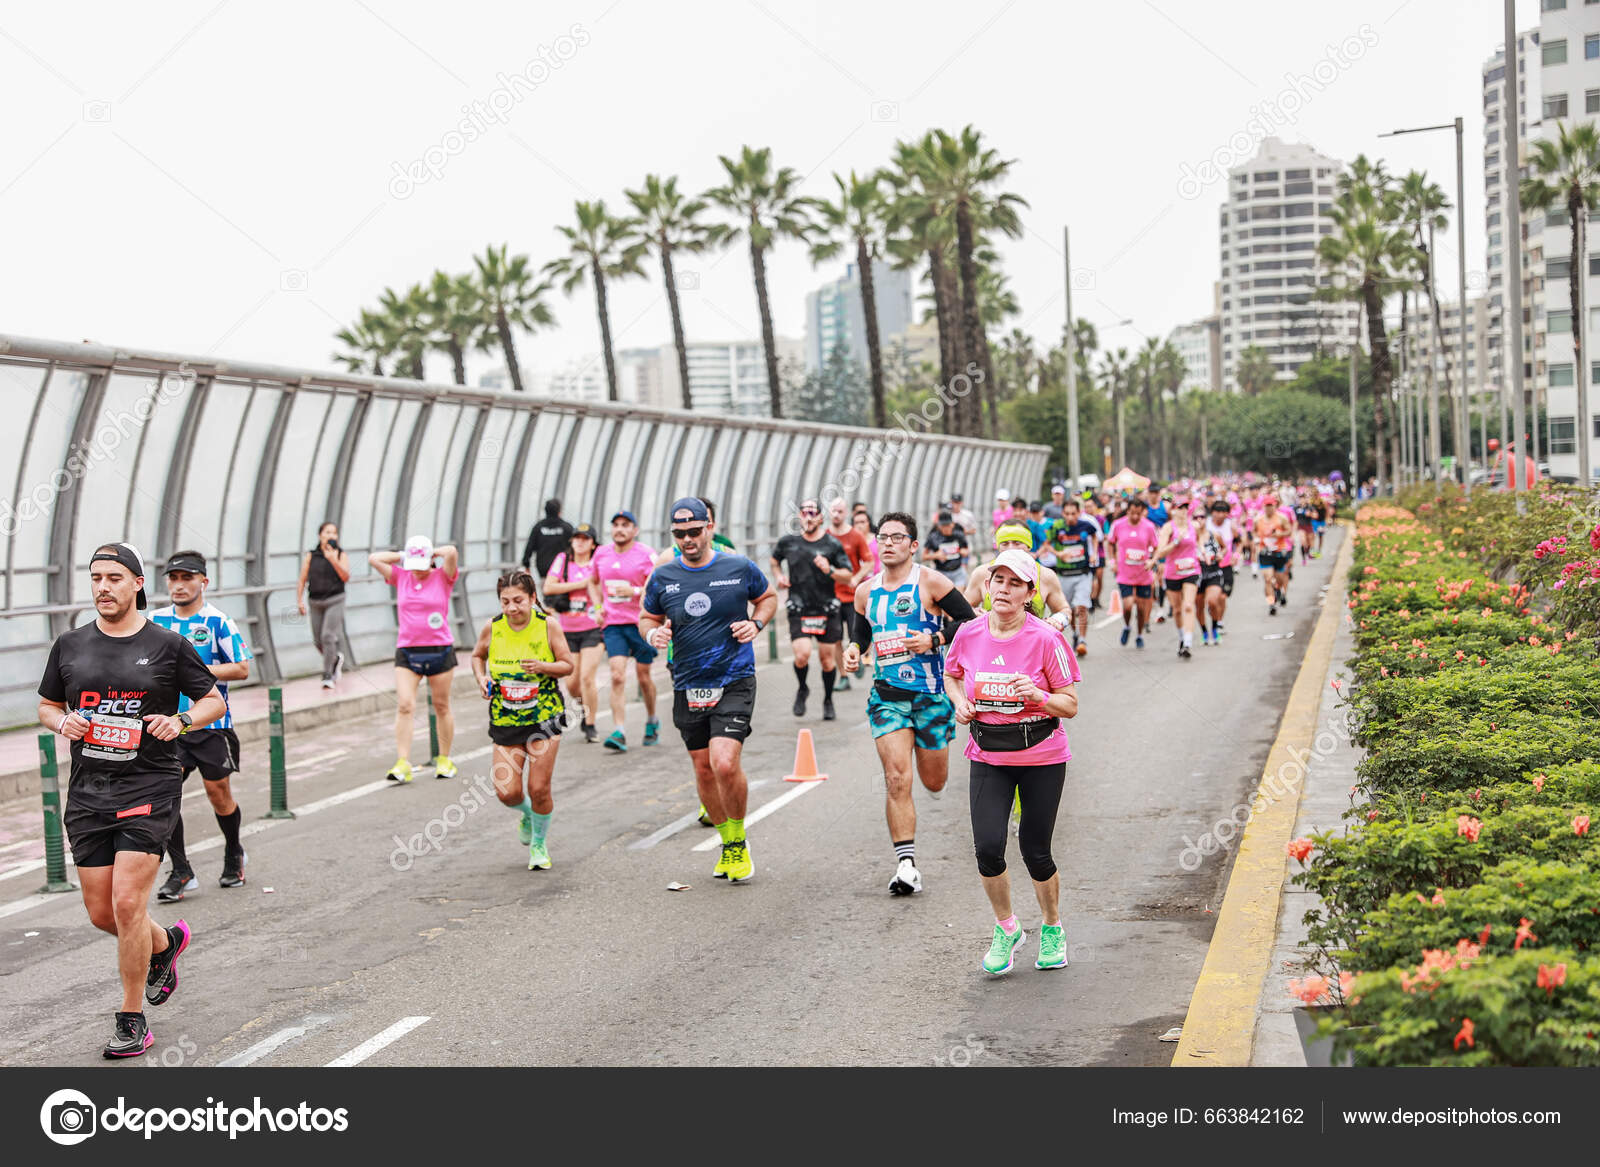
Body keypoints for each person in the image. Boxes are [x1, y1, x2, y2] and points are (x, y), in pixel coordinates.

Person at [37, 542, 226, 1058]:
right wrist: (62, 722)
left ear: (137, 584)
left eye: (114, 578)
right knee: (103, 914)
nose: (103, 587)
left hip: (150, 786)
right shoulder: (70, 645)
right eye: (96, 577)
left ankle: (131, 1017)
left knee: (126, 905)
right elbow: (48, 704)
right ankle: (165, 944)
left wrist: (181, 720)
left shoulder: (167, 645)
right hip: (88, 793)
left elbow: (212, 697)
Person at [943, 550, 1080, 976]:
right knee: (987, 848)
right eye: (997, 580)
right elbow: (952, 674)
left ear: (1029, 593)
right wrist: (961, 702)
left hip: (1041, 755)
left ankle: (1052, 927)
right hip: (988, 753)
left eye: (1013, 583)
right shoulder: (968, 633)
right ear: (987, 586)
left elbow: (1070, 705)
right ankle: (1007, 927)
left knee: (1036, 852)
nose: (1002, 588)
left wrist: (1039, 697)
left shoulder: (1045, 638)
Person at [640, 498, 777, 883]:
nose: (688, 540)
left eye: (694, 531)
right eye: (679, 534)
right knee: (702, 769)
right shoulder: (663, 576)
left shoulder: (737, 567)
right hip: (688, 683)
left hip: (733, 677)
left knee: (724, 762)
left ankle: (736, 840)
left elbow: (767, 597)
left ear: (710, 527)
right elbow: (647, 615)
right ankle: (730, 840)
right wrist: (653, 632)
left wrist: (757, 624)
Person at [842, 512, 977, 896]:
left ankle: (909, 855)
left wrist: (933, 641)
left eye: (897, 537)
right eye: (882, 537)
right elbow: (861, 634)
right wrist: (853, 651)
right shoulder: (865, 591)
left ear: (913, 545)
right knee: (897, 778)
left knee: (934, 782)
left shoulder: (931, 582)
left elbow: (969, 622)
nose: (887, 543)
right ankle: (906, 865)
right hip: (888, 698)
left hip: (932, 697)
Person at [150, 552, 253, 902]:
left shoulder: (217, 622)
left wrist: (195, 673)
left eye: (187, 578)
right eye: (173, 578)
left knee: (218, 795)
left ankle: (234, 852)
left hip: (212, 725)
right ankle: (181, 871)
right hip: (169, 727)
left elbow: (241, 668)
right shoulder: (155, 621)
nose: (179, 585)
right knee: (165, 798)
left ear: (203, 582)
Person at [470, 569, 573, 870]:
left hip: (544, 717)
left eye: (518, 600)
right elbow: (477, 656)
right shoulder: (493, 628)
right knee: (507, 792)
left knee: (539, 788)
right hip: (505, 718)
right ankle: (529, 815)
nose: (512, 608)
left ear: (532, 598)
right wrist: (481, 678)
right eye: (505, 602)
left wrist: (543, 666)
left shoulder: (548, 626)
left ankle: (539, 844)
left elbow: (568, 665)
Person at [369, 535, 459, 782]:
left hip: (440, 648)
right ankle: (402, 762)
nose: (416, 571)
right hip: (408, 650)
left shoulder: (443, 577)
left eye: (420, 566)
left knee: (441, 705)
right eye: (413, 566)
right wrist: (404, 555)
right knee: (405, 704)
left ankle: (445, 758)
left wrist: (429, 553)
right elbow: (374, 559)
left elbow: (451, 552)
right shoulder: (402, 576)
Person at [772, 499, 853, 720]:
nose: (808, 517)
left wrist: (830, 570)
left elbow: (848, 575)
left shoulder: (831, 545)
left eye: (813, 513)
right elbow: (774, 560)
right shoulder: (788, 542)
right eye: (804, 512)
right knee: (802, 655)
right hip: (799, 606)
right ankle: (802, 688)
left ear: (820, 517)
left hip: (827, 608)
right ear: (799, 516)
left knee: (827, 660)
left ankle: (828, 699)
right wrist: (779, 576)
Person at [590, 510, 659, 752]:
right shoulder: (601, 553)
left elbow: (657, 583)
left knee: (643, 677)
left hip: (641, 621)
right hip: (614, 623)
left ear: (635, 530)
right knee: (617, 675)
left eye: (625, 525)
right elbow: (592, 581)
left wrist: (635, 592)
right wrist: (597, 608)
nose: (619, 529)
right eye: (616, 525)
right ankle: (619, 732)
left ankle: (652, 719)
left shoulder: (646, 554)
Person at [543, 522, 604, 743]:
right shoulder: (563, 560)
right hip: (567, 629)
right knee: (571, 683)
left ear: (593, 543)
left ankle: (591, 724)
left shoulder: (598, 561)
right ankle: (587, 706)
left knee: (587, 676)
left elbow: (602, 587)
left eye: (585, 538)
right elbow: (548, 587)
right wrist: (580, 584)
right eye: (576, 538)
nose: (580, 542)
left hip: (593, 629)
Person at [296, 521, 350, 688]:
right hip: (315, 601)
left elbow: (345, 577)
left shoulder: (340, 555)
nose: (331, 536)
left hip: (335, 599)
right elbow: (303, 579)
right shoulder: (311, 555)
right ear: (320, 535)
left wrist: (333, 560)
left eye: (334, 533)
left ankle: (327, 675)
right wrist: (299, 600)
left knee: (328, 636)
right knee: (318, 640)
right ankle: (334, 659)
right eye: (327, 532)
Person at [827, 498, 873, 692]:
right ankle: (843, 676)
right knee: (835, 638)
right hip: (830, 596)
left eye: (840, 511)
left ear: (846, 513)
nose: (836, 514)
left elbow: (869, 562)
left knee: (853, 634)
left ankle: (858, 655)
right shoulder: (825, 536)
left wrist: (856, 578)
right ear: (829, 513)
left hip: (852, 596)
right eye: (833, 511)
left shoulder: (855, 536)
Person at [1044, 498, 1100, 656]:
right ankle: (1075, 634)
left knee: (1081, 606)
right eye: (1067, 514)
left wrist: (1094, 553)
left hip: (1082, 573)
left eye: (1073, 514)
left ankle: (1082, 640)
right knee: (1068, 609)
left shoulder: (1086, 526)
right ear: (1062, 513)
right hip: (1064, 575)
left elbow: (1095, 537)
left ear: (1079, 513)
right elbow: (1047, 544)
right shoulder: (1057, 527)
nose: (1070, 517)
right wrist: (1058, 554)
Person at [1106, 497, 1160, 649]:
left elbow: (1157, 547)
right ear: (1127, 511)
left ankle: (1139, 634)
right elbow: (1110, 543)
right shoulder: (1118, 525)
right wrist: (1112, 562)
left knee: (1142, 609)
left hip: (1143, 574)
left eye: (1138, 513)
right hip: (1125, 573)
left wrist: (1153, 560)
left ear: (1142, 512)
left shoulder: (1149, 527)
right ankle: (1127, 626)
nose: (1135, 517)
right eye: (1132, 513)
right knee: (1128, 605)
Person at [1151, 506, 1202, 659]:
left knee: (1188, 606)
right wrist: (1175, 542)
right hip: (1173, 573)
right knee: (1177, 610)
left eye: (1186, 508)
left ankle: (1187, 642)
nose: (1183, 511)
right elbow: (1160, 552)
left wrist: (1203, 553)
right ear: (1173, 511)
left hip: (1191, 571)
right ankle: (1181, 637)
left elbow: (1198, 544)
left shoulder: (1195, 526)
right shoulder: (1168, 528)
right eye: (1180, 508)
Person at [1198, 499, 1237, 646]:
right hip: (1199, 571)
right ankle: (1205, 631)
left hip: (1221, 567)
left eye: (1223, 512)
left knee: (1218, 599)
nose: (1220, 515)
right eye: (1217, 511)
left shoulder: (1227, 526)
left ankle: (1217, 623)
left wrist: (1233, 555)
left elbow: (1235, 543)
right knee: (1199, 605)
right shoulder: (1194, 532)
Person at [521, 498, 575, 594]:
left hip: (544, 571)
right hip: (563, 571)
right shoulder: (566, 527)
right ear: (559, 511)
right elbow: (575, 547)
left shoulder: (538, 527)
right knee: (563, 597)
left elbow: (529, 547)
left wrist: (526, 565)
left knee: (547, 596)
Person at [1253, 496, 1294, 615]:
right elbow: (1254, 531)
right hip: (1265, 552)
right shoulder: (1258, 520)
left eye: (1271, 505)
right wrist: (1257, 541)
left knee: (1279, 579)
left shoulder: (1281, 518)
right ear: (1264, 507)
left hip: (1279, 552)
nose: (1269, 508)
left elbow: (1289, 531)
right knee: (1268, 579)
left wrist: (1280, 534)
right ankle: (1271, 604)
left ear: (1275, 506)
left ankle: (1278, 589)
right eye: (1267, 506)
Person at [923, 511, 971, 587]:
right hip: (941, 573)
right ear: (939, 526)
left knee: (958, 597)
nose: (946, 528)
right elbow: (924, 556)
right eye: (943, 525)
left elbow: (966, 551)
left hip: (958, 572)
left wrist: (961, 551)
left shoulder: (959, 534)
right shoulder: (933, 537)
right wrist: (936, 555)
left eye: (948, 525)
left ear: (952, 524)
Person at [852, 508, 881, 575]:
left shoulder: (878, 539)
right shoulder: (850, 542)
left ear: (869, 523)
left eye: (862, 522)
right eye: (856, 523)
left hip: (875, 580)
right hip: (856, 581)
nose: (859, 525)